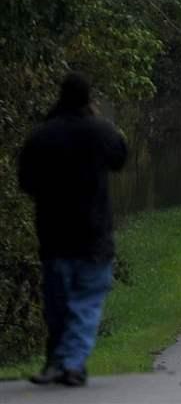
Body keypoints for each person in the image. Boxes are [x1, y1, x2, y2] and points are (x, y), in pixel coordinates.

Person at [17, 75, 127, 388]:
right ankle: (72, 364)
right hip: (94, 236)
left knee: (58, 306)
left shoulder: (42, 136)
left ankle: (58, 361)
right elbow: (120, 157)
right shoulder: (100, 131)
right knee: (86, 304)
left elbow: (26, 182)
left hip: (54, 236)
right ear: (88, 99)